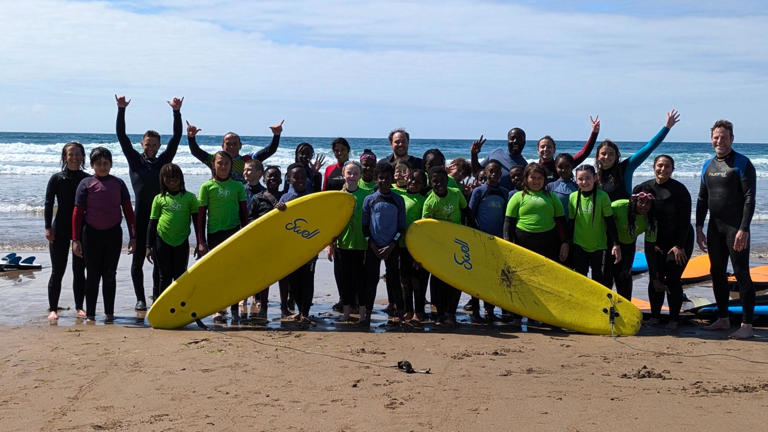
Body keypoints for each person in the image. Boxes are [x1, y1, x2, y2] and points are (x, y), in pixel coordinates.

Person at [115, 95, 183, 310]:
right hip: (140, 216)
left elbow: (177, 137)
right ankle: (140, 299)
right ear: (142, 144)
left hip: (159, 218)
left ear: (159, 145)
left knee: (158, 260)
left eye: (155, 144)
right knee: (137, 261)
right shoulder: (135, 160)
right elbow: (121, 136)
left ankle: (156, 297)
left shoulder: (164, 161)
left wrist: (176, 112)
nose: (151, 147)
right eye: (147, 144)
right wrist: (121, 109)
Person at [696, 120, 756, 339]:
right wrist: (699, 227)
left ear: (732, 138)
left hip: (735, 228)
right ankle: (723, 318)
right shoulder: (707, 166)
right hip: (714, 228)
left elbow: (750, 198)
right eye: (716, 137)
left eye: (723, 137)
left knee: (741, 273)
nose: (719, 141)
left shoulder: (742, 163)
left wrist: (744, 228)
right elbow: (702, 198)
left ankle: (747, 325)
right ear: (711, 139)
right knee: (717, 272)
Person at [72, 147, 136, 322]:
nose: (102, 166)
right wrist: (75, 239)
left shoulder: (119, 183)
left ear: (111, 165)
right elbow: (77, 213)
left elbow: (129, 211)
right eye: (99, 163)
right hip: (90, 234)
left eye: (106, 163)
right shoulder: (85, 184)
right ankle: (91, 314)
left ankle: (109, 313)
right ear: (92, 165)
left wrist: (133, 236)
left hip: (113, 234)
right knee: (92, 275)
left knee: (110, 275)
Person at [196, 151, 248, 322]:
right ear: (213, 165)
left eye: (226, 163)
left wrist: (246, 235)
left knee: (233, 273)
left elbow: (243, 214)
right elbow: (201, 217)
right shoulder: (207, 187)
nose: (223, 166)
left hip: (233, 233)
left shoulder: (238, 187)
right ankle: (218, 308)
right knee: (216, 274)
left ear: (231, 166)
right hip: (214, 234)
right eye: (219, 163)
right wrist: (201, 242)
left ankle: (233, 307)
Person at [44, 142, 90, 321]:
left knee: (79, 270)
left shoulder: (87, 179)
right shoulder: (57, 178)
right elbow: (48, 203)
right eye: (71, 154)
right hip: (60, 228)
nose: (75, 157)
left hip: (80, 229)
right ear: (64, 157)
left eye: (78, 154)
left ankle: (79, 307)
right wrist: (48, 227)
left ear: (83, 157)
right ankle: (53, 309)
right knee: (58, 270)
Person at [596, 110, 679, 201]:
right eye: (603, 154)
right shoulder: (594, 176)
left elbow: (649, 147)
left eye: (611, 154)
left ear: (616, 156)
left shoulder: (625, 168)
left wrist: (667, 127)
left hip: (625, 214)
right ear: (597, 156)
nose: (607, 157)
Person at [422, 166, 469, 326]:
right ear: (430, 182)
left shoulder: (456, 194)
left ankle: (451, 313)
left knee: (455, 279)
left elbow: (467, 211)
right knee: (438, 280)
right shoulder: (429, 202)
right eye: (435, 181)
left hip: (456, 244)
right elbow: (424, 228)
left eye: (442, 180)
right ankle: (440, 313)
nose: (439, 184)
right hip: (438, 246)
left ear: (447, 180)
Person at [362, 161, 407, 325]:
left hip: (392, 247)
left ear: (392, 180)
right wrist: (372, 245)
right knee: (371, 280)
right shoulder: (369, 200)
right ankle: (367, 314)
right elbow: (365, 227)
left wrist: (392, 245)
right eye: (381, 178)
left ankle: (400, 314)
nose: (384, 181)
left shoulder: (398, 200)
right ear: (376, 179)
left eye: (387, 178)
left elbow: (402, 228)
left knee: (394, 280)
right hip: (373, 246)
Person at [146, 163, 201, 297]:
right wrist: (148, 246)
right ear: (162, 179)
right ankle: (160, 309)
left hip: (181, 241)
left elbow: (197, 222)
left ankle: (179, 307)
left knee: (180, 276)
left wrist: (200, 242)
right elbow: (152, 223)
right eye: (168, 177)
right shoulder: (159, 199)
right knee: (164, 276)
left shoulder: (190, 198)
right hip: (162, 241)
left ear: (181, 178)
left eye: (175, 177)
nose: (172, 180)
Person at [331, 161, 373, 322]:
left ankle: (362, 315)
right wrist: (330, 245)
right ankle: (347, 313)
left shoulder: (367, 196)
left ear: (360, 175)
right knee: (344, 281)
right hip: (343, 244)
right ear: (343, 175)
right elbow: (333, 222)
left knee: (362, 281)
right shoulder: (338, 196)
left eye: (356, 173)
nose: (352, 176)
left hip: (362, 244)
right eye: (349, 173)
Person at [467, 160, 509, 322]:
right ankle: (476, 310)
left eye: (497, 172)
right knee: (477, 277)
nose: (494, 174)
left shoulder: (505, 192)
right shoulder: (479, 191)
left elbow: (507, 217)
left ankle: (489, 310)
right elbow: (470, 215)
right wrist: (476, 236)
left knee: (493, 277)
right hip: (480, 241)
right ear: (485, 172)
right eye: (491, 171)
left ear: (500, 174)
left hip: (497, 243)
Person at [276, 163, 316, 323]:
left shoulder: (312, 196)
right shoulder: (285, 198)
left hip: (309, 245)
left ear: (307, 179)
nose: (299, 180)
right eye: (296, 177)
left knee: (307, 280)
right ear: (289, 179)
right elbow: (278, 221)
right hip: (291, 248)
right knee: (294, 282)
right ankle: (299, 310)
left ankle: (305, 312)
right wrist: (277, 209)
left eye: (302, 177)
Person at [186, 119, 284, 183]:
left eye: (235, 144)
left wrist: (276, 135)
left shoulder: (248, 160)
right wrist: (191, 138)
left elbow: (269, 150)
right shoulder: (214, 160)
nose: (231, 147)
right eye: (228, 144)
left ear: (240, 146)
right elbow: (196, 151)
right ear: (222, 146)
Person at [569, 164, 620, 286]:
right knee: (581, 279)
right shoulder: (572, 197)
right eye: (580, 179)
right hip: (578, 245)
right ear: (576, 180)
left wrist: (616, 244)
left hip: (598, 246)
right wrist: (567, 243)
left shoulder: (603, 196)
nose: (584, 182)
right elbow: (571, 223)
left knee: (598, 280)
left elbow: (610, 222)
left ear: (595, 178)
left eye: (588, 178)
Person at [246, 165, 284, 318]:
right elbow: (249, 219)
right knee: (264, 276)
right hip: (263, 242)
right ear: (264, 179)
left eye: (276, 176)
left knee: (283, 275)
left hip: (282, 241)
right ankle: (264, 306)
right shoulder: (258, 198)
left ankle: (284, 306)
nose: (273, 179)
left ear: (281, 180)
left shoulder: (285, 197)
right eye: (270, 176)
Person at [609, 189, 658, 303]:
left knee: (625, 276)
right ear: (634, 200)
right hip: (610, 244)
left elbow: (649, 247)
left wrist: (653, 276)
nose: (644, 206)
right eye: (641, 202)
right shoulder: (619, 206)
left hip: (629, 246)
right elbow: (602, 221)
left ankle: (625, 307)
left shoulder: (651, 219)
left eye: (648, 203)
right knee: (607, 277)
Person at [393, 168, 429, 322]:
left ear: (423, 185)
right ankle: (408, 310)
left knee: (417, 281)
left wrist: (419, 252)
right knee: (404, 280)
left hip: (417, 247)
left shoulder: (424, 199)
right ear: (407, 179)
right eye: (412, 179)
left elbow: (425, 227)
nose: (414, 183)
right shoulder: (399, 195)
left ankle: (419, 311)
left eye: (419, 182)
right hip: (400, 244)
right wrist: (398, 179)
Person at [537, 115, 600, 183]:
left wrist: (594, 132)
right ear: (538, 150)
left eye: (549, 147)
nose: (545, 149)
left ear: (554, 150)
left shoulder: (563, 165)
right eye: (542, 147)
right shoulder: (535, 168)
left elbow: (584, 153)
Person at [546, 153, 578, 218]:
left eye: (567, 166)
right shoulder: (550, 187)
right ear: (555, 167)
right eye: (560, 167)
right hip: (556, 225)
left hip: (575, 225)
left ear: (572, 166)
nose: (563, 170)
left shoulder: (578, 187)